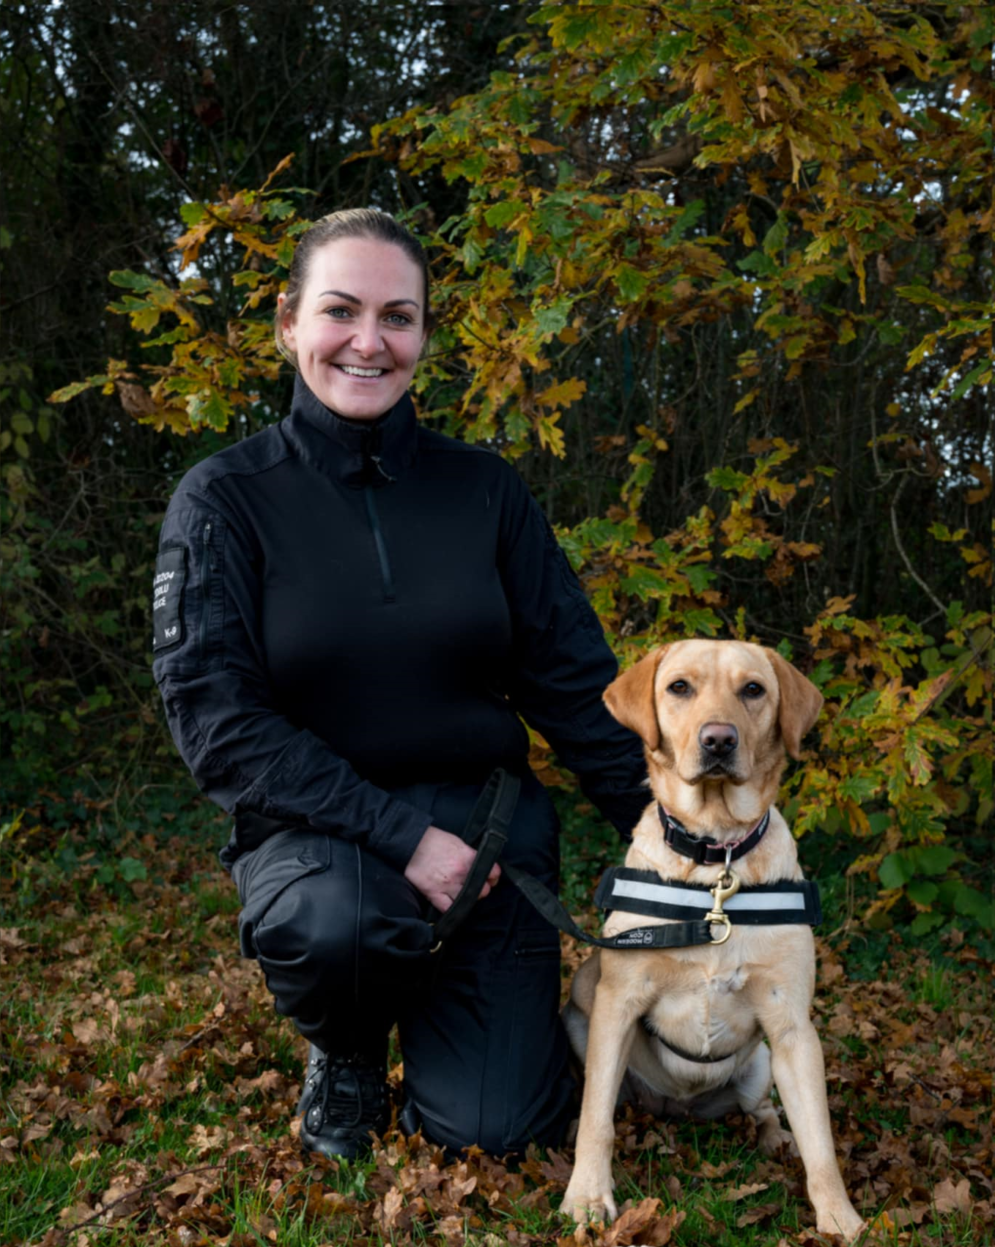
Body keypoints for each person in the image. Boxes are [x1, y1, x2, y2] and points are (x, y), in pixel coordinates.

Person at [152, 206, 647, 1162]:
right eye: (341, 311)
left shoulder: (487, 491)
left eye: (399, 317)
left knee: (496, 1132)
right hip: (323, 839)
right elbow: (216, 722)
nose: (369, 343)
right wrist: (403, 838)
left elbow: (577, 684)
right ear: (290, 322)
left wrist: (678, 840)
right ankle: (344, 1049)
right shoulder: (225, 501)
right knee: (339, 924)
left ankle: (444, 1020)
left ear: (424, 333)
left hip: (490, 835)